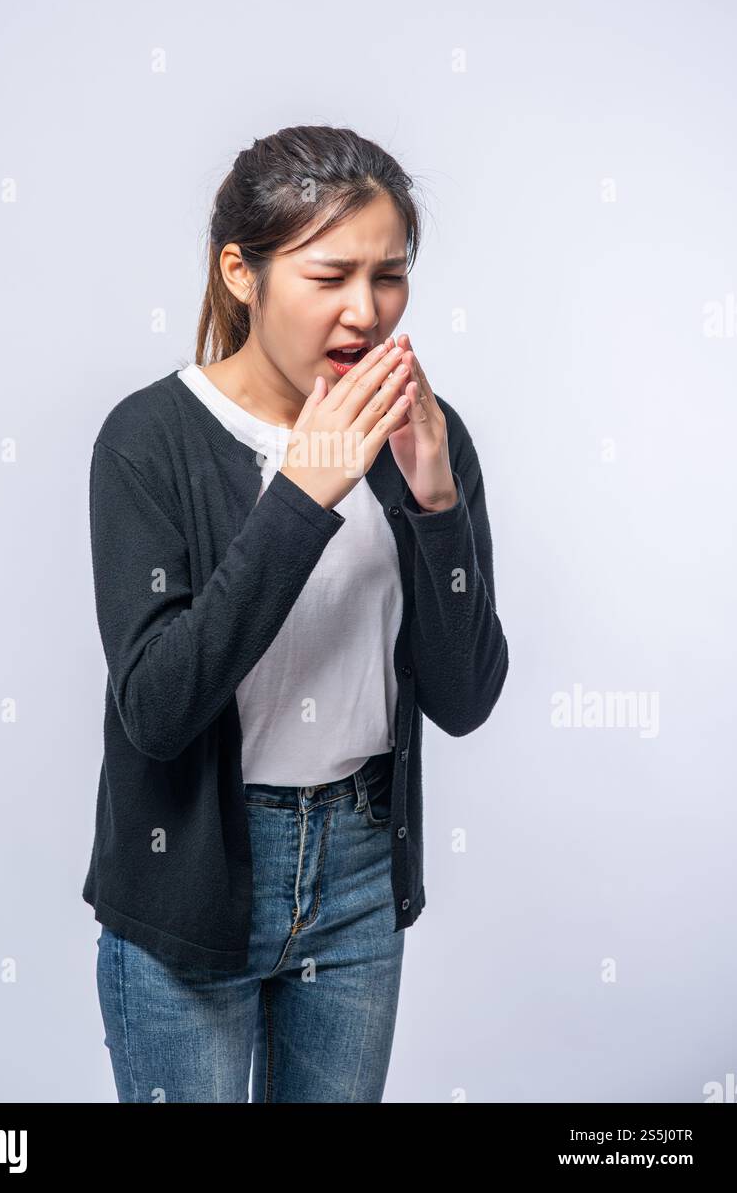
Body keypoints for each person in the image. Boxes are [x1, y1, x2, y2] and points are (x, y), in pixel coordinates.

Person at [84, 124, 509, 1101]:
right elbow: (156, 705)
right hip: (193, 883)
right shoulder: (147, 441)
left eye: (389, 274)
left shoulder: (421, 439)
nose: (367, 309)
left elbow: (465, 696)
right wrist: (303, 499)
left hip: (361, 875)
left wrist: (438, 504)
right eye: (330, 276)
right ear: (243, 271)